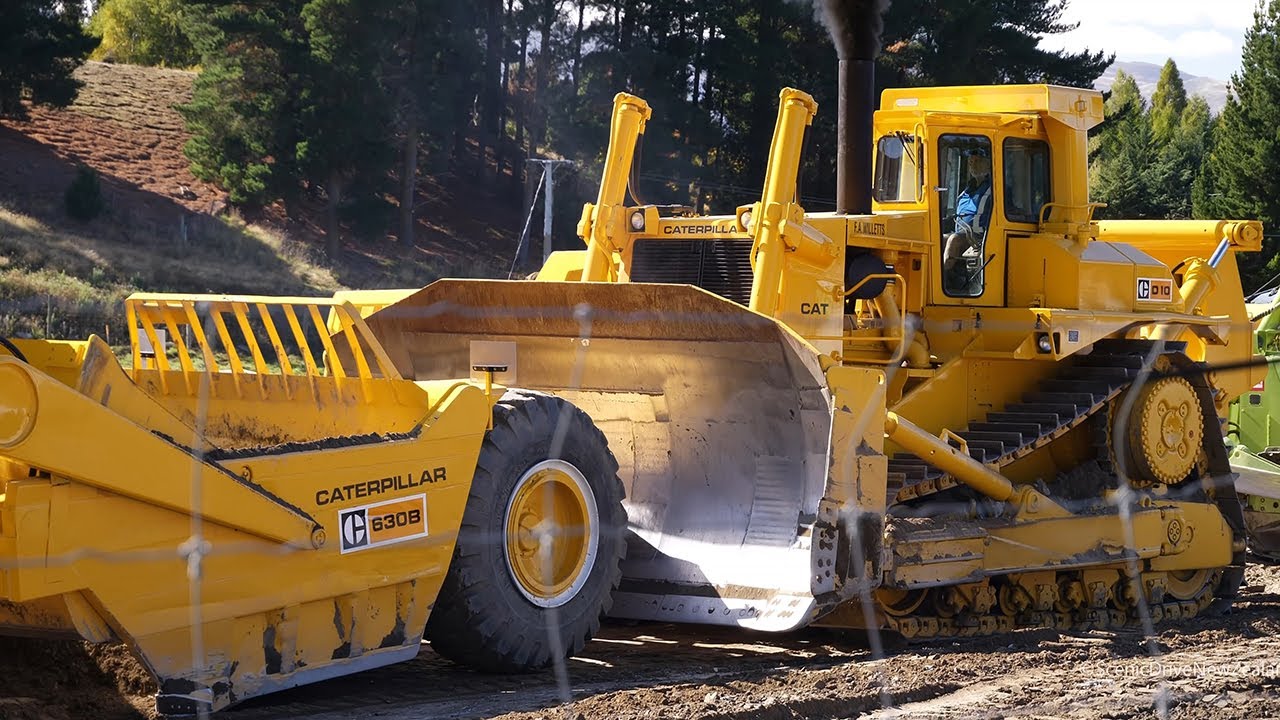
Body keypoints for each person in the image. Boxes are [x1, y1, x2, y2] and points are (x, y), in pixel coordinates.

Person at [942, 151, 994, 279]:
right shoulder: (968, 189)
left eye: (977, 161)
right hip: (962, 232)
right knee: (938, 239)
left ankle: (943, 279)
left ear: (988, 164)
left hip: (980, 237)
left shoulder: (996, 188)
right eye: (970, 161)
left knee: (954, 240)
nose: (972, 164)